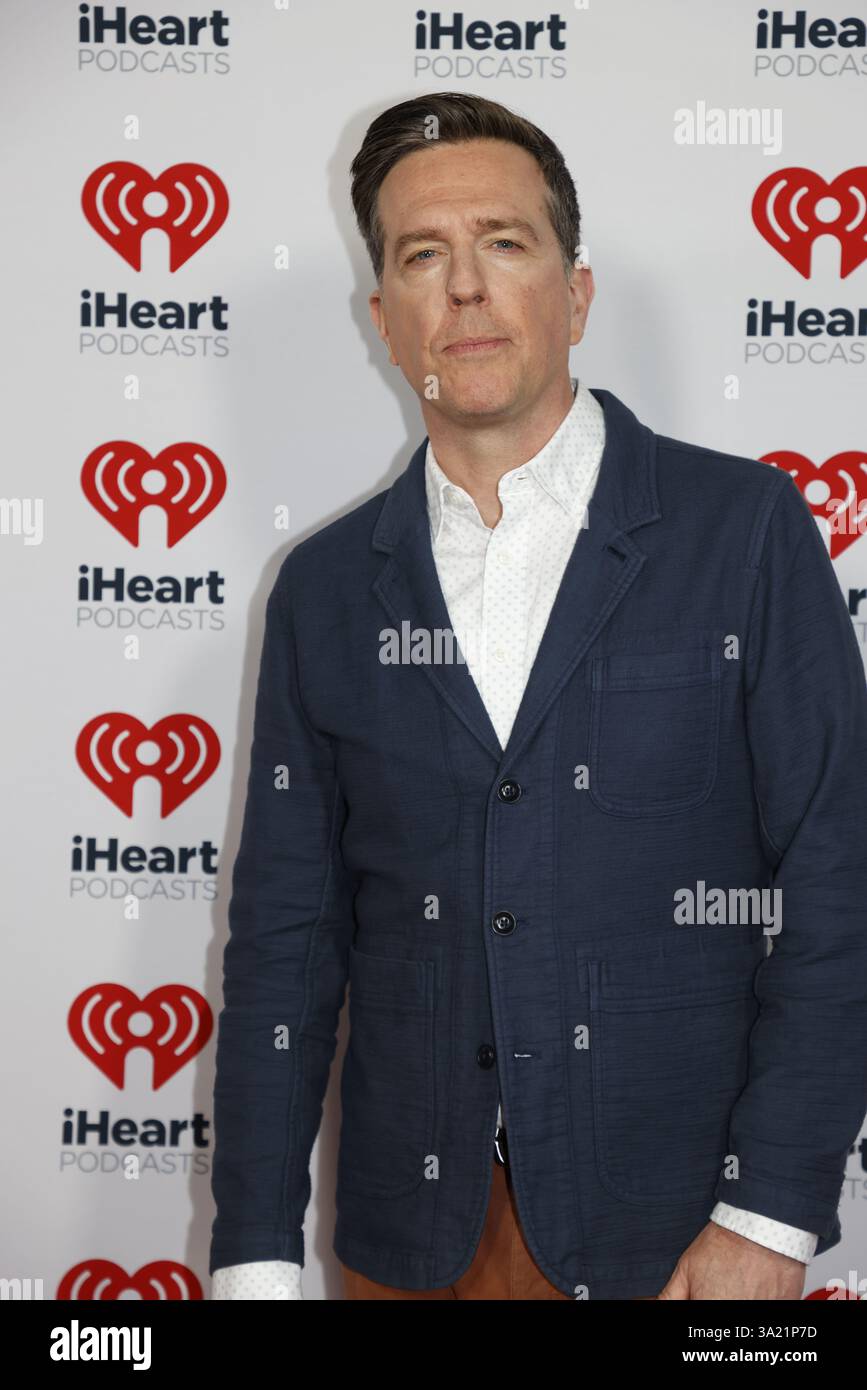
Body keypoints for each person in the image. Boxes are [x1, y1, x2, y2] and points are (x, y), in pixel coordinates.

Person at [209, 92, 867, 1300]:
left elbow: (841, 876)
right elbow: (287, 946)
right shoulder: (321, 592)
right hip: (408, 1254)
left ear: (575, 292)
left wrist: (770, 1216)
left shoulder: (747, 533)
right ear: (384, 317)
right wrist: (255, 1253)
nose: (463, 287)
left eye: (504, 243)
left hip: (687, 1245)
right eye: (421, 256)